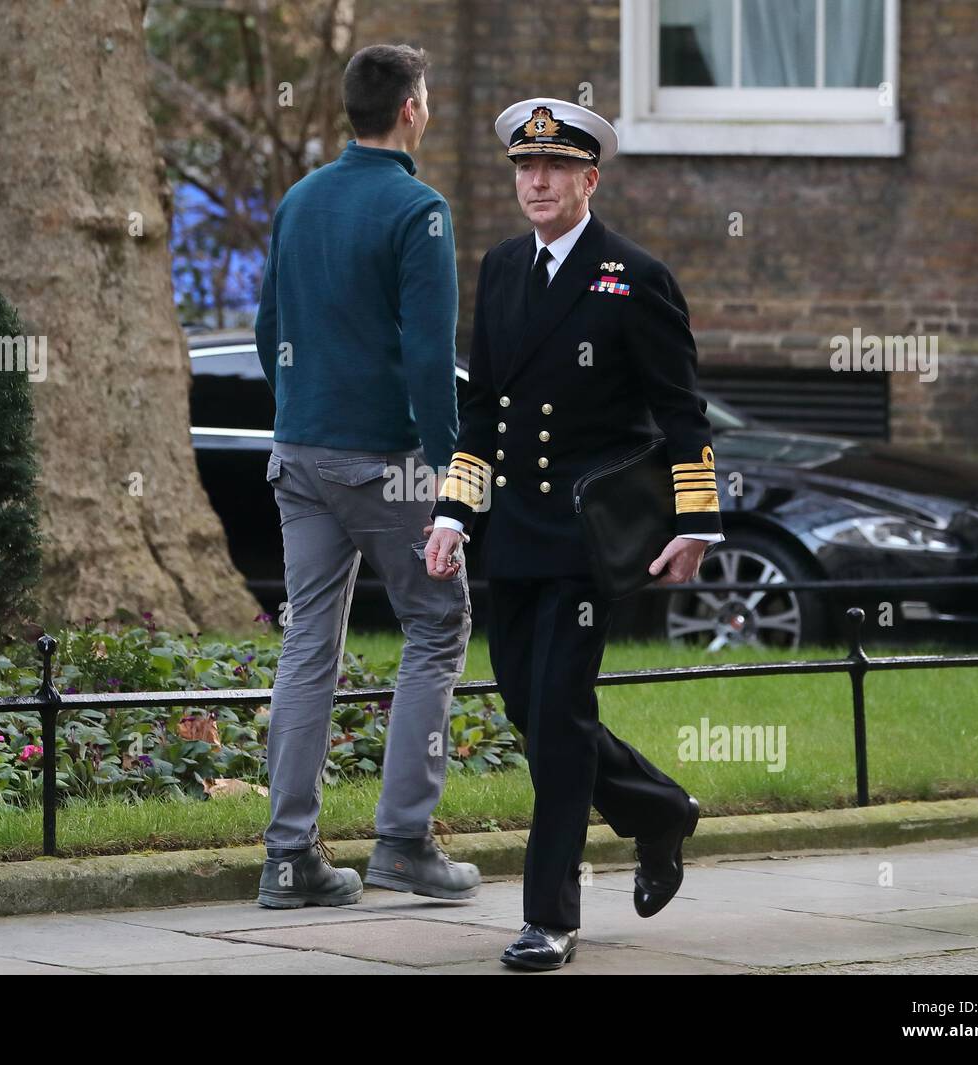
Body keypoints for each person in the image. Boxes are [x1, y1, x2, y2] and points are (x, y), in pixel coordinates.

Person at [426, 97, 725, 969]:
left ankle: (547, 916)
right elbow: (481, 410)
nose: (538, 182)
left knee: (557, 719)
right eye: (526, 168)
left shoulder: (635, 276)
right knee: (529, 707)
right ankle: (658, 809)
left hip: (585, 541)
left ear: (590, 179)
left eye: (555, 168)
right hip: (510, 534)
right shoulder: (501, 268)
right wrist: (452, 510)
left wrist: (696, 521)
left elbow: (681, 413)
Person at [253, 44, 479, 908]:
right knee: (435, 625)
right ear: (412, 108)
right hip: (386, 462)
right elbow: (428, 356)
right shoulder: (418, 209)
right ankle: (405, 840)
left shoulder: (299, 200)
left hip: (299, 453)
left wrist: (301, 414)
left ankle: (288, 858)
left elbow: (272, 323)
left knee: (310, 642)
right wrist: (448, 471)